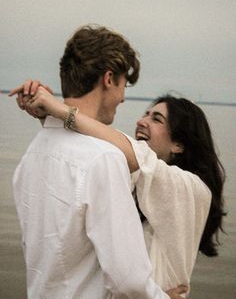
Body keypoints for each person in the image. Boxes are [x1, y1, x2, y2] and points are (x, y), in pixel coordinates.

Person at [10, 25, 187, 299]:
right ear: (108, 79)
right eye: (123, 84)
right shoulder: (103, 158)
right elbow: (129, 280)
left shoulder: (30, 156)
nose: (124, 97)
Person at [11, 82, 226, 298]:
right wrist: (46, 116)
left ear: (178, 145)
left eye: (156, 119)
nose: (141, 122)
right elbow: (87, 152)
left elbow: (130, 153)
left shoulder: (194, 190)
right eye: (146, 114)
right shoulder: (140, 183)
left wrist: (57, 109)